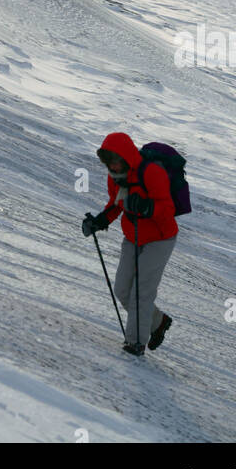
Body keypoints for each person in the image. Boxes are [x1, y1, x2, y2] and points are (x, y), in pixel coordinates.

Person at [82, 131, 177, 355]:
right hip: (133, 236)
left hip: (160, 239)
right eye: (108, 162)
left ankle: (135, 343)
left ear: (125, 157)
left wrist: (147, 207)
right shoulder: (115, 176)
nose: (112, 167)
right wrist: (99, 221)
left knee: (141, 293)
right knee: (123, 289)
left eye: (114, 161)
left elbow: (168, 209)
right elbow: (116, 204)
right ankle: (158, 321)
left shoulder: (152, 173)